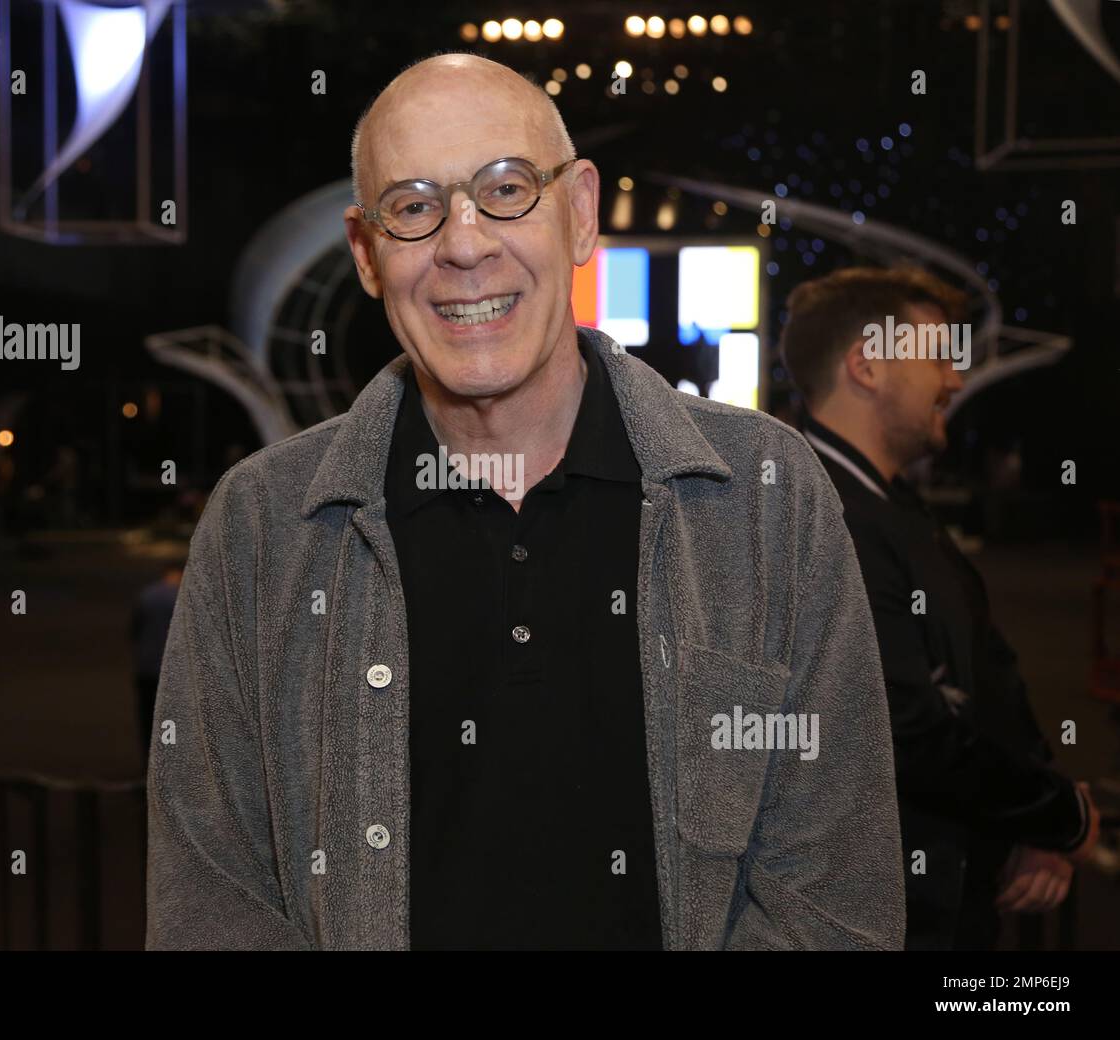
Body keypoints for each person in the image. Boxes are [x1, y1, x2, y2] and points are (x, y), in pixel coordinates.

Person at [145, 53, 905, 950]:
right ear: (367, 253)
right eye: (416, 206)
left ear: (580, 212)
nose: (465, 244)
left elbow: (834, 898)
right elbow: (208, 906)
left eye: (506, 189)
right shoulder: (261, 528)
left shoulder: (766, 498)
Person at [778, 266, 1099, 949]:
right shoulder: (819, 512)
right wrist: (1059, 814)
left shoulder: (890, 502)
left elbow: (988, 671)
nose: (954, 382)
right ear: (867, 365)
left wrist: (1034, 819)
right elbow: (907, 729)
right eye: (936, 358)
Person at [131, 565, 183, 761]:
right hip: (171, 669)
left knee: (146, 714)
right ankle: (166, 757)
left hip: (146, 666)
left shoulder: (147, 595)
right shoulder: (181, 596)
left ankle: (148, 759)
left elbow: (135, 630)